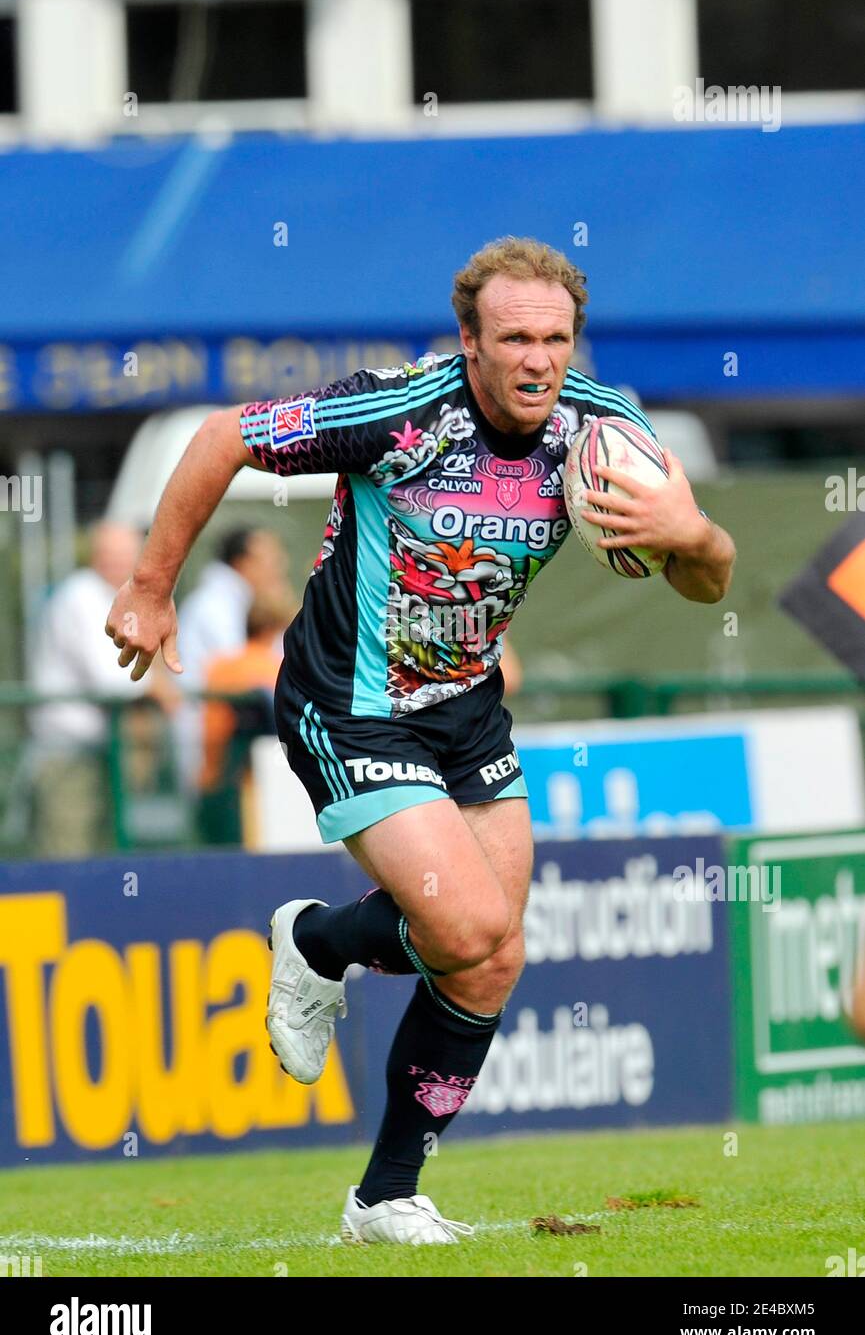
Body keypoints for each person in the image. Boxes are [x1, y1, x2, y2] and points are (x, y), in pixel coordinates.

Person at [105, 237, 735, 1245]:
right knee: (466, 924)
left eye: (556, 339)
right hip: (348, 704)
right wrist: (147, 588)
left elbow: (708, 577)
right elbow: (224, 435)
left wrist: (694, 534)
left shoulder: (604, 427)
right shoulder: (396, 411)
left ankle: (382, 1195)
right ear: (469, 342)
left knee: (489, 956)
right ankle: (317, 941)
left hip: (466, 710)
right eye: (514, 337)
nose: (538, 359)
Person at [31, 521, 157, 856]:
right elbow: (114, 679)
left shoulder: (107, 595)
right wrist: (160, 686)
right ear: (101, 557)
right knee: (69, 856)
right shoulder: (81, 595)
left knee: (102, 853)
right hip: (70, 755)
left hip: (98, 751)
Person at [174, 527, 291, 787]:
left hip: (233, 739)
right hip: (216, 743)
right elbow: (246, 670)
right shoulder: (214, 604)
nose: (278, 565)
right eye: (269, 559)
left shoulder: (234, 600)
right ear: (243, 563)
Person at [198, 592, 296, 843]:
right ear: (274, 629)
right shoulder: (273, 668)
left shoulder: (218, 666)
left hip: (211, 783)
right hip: (256, 793)